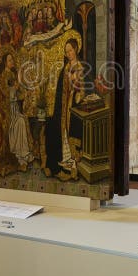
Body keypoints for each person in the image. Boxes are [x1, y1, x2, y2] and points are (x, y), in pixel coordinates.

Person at [44, 38, 85, 179]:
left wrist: (76, 91)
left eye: (71, 50)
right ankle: (65, 162)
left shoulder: (80, 67)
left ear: (76, 50)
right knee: (60, 132)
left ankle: (74, 165)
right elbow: (61, 89)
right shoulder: (66, 67)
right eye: (66, 51)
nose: (69, 54)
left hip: (74, 105)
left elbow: (81, 89)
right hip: (63, 106)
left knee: (73, 132)